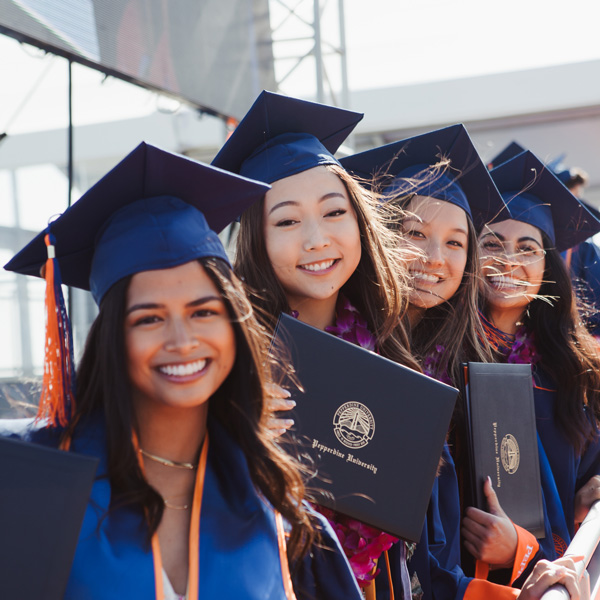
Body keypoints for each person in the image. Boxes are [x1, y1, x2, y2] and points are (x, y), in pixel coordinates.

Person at [1, 142, 362, 600]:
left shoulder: (277, 509)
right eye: (149, 318)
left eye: (203, 312)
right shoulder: (32, 482)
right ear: (113, 339)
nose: (182, 340)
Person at [213, 90, 419, 598]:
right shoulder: (232, 358)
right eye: (286, 221)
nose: (316, 239)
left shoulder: (392, 346)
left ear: (359, 222)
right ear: (255, 237)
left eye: (334, 212)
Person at [341, 126, 544, 600]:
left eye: (455, 242)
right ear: (383, 236)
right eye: (416, 234)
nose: (435, 258)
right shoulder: (349, 358)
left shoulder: (464, 372)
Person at [468, 149, 600, 585]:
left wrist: (589, 492)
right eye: (491, 244)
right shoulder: (442, 362)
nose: (509, 261)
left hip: (549, 579)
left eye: (527, 249)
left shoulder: (575, 371)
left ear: (548, 268)